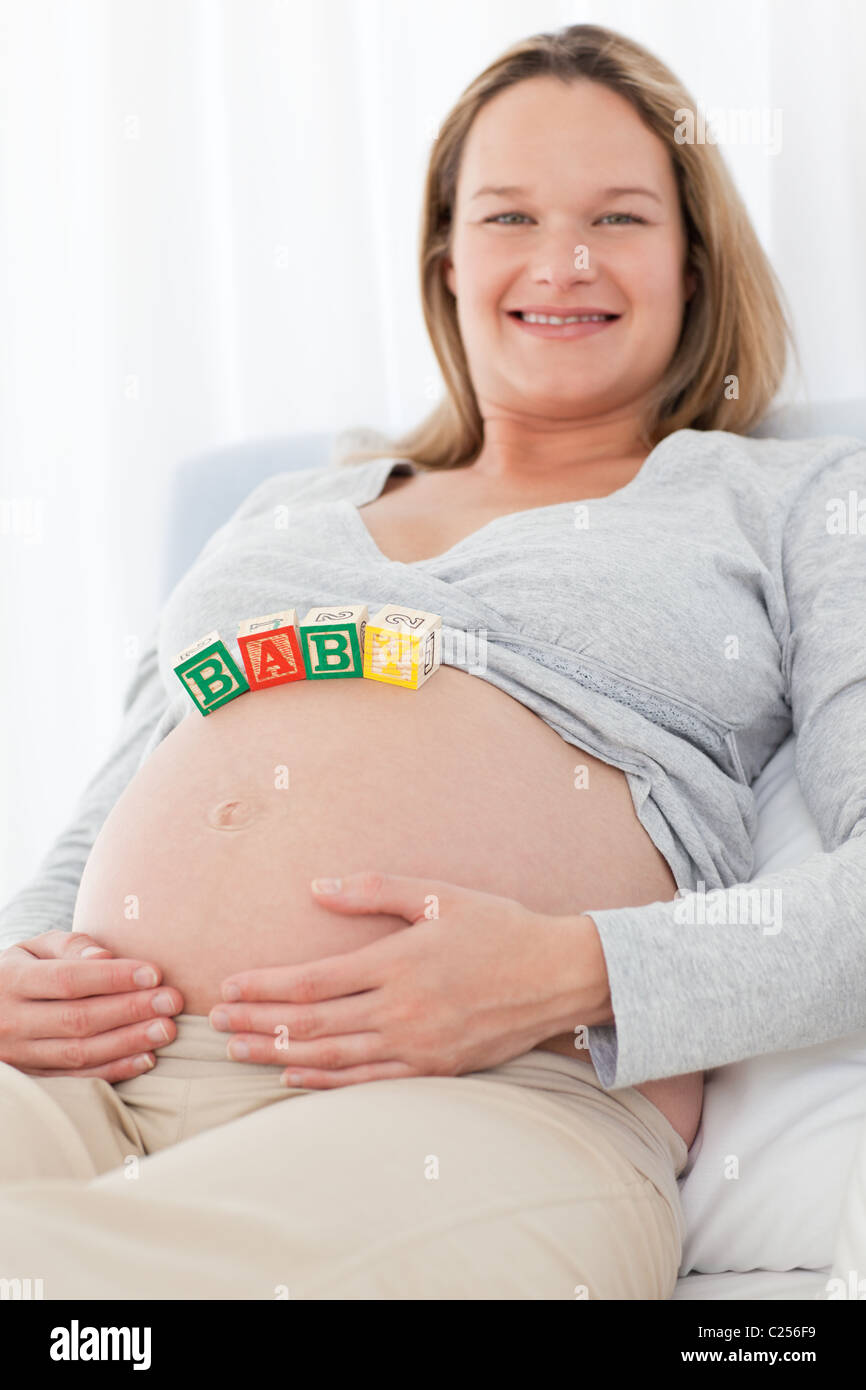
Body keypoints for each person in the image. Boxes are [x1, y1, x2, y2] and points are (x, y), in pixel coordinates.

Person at [0, 23, 864, 1301]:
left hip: (478, 1105)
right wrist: (20, 969)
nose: (559, 262)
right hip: (91, 1081)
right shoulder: (281, 510)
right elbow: (116, 801)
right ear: (446, 257)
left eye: (618, 218)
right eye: (508, 215)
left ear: (693, 258)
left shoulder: (791, 499)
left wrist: (577, 969)